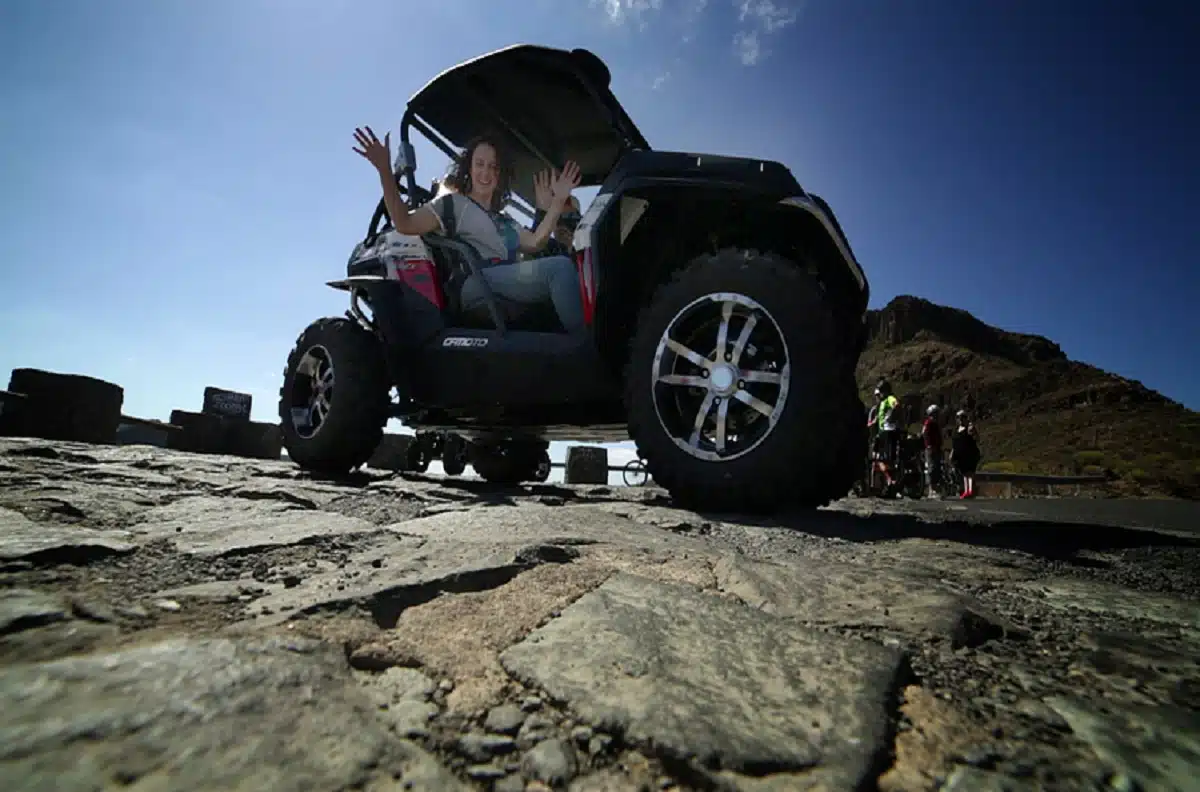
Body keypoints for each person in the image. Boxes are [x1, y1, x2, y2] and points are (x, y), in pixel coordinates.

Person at [351, 126, 585, 333]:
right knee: (559, 269)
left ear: (499, 174)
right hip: (476, 282)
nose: (485, 173)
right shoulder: (453, 204)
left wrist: (559, 200)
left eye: (493, 167)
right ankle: (588, 348)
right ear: (469, 168)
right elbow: (405, 223)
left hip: (508, 279)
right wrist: (384, 170)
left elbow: (536, 242)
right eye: (479, 164)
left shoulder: (503, 221)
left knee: (567, 269)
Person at [873, 380, 903, 495]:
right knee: (883, 459)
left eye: (880, 392)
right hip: (883, 432)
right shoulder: (883, 402)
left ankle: (892, 481)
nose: (879, 394)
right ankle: (890, 482)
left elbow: (896, 405)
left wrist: (890, 416)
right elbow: (878, 418)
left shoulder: (890, 398)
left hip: (888, 431)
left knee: (885, 459)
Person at [951, 409, 981, 499]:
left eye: (962, 418)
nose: (960, 420)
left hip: (970, 454)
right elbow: (955, 443)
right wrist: (952, 453)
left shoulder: (969, 428)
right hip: (960, 455)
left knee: (970, 473)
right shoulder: (956, 430)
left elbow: (976, 439)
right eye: (959, 418)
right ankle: (966, 490)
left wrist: (973, 432)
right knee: (964, 473)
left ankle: (971, 490)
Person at [921, 404, 943, 498]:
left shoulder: (935, 424)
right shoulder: (929, 423)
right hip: (931, 448)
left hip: (936, 448)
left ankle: (935, 488)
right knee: (932, 468)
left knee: (937, 468)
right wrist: (929, 446)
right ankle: (931, 489)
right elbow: (925, 434)